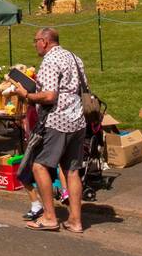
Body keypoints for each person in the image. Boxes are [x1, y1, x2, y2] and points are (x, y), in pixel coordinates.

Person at [8, 27, 86, 234]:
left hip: (57, 120)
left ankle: (50, 217)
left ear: (44, 41)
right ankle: (76, 221)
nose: (35, 45)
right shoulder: (74, 58)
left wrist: (26, 94)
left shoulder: (50, 61)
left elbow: (50, 96)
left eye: (36, 41)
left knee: (39, 166)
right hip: (78, 119)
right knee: (72, 170)